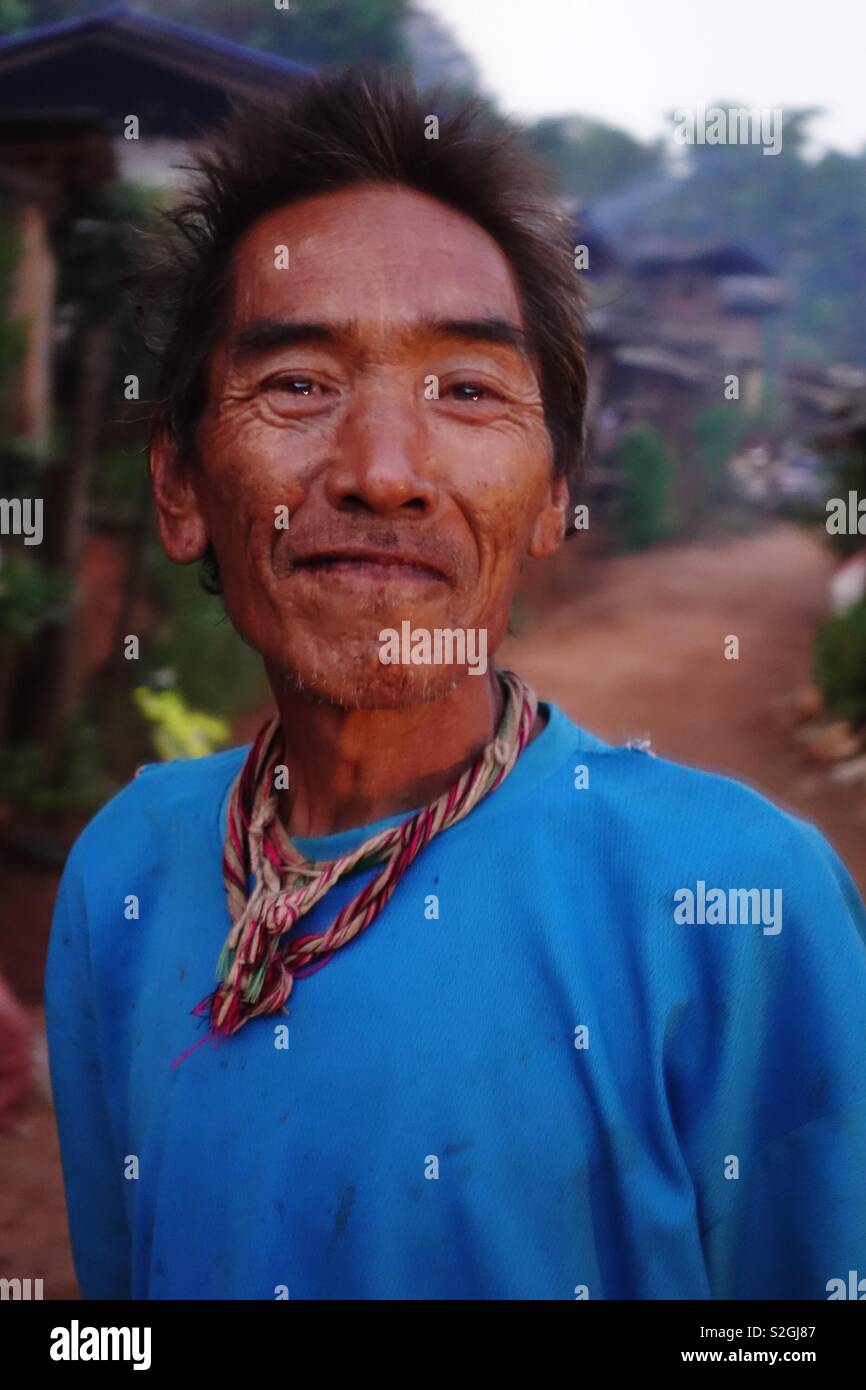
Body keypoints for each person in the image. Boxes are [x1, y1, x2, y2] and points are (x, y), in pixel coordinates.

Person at [46, 67, 866, 1301]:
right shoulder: (124, 871)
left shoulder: (740, 902)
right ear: (179, 489)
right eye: (297, 383)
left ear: (547, 497)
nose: (383, 471)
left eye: (467, 390)